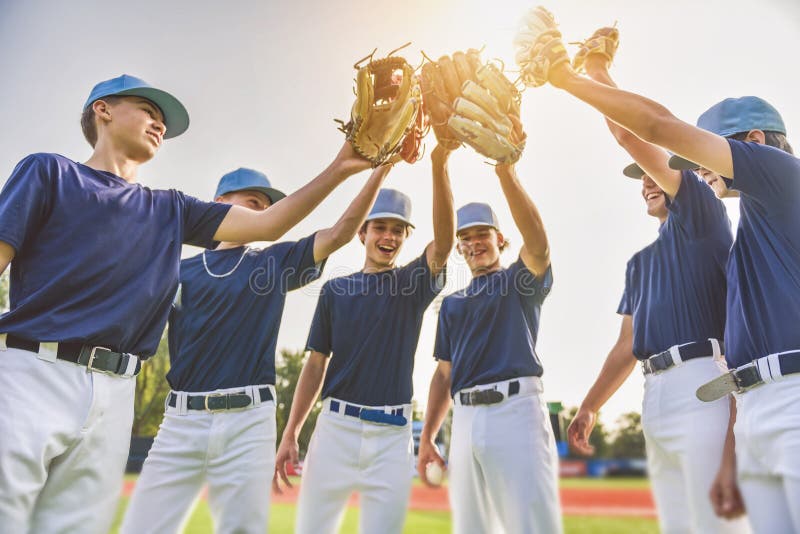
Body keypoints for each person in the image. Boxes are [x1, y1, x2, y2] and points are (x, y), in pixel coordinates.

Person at [0, 73, 374, 533]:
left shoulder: (170, 209)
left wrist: (343, 165)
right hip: (34, 369)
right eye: (149, 111)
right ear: (103, 109)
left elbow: (271, 224)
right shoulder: (50, 172)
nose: (160, 124)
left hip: (117, 393)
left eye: (164, 121)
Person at [536, 17, 800, 531]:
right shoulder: (757, 222)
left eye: (706, 155)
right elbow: (638, 136)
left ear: (753, 141)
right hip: (756, 406)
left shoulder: (783, 175)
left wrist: (569, 77)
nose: (700, 171)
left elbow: (651, 130)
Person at [120, 164, 390, 534]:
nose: (263, 211)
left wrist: (381, 170)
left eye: (266, 206)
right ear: (218, 204)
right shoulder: (178, 269)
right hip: (181, 421)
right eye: (252, 201)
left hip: (248, 422)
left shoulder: (271, 263)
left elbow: (342, 232)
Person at [565, 39, 748, 533]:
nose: (646, 180)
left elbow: (630, 136)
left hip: (702, 385)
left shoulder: (705, 215)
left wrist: (596, 71)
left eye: (653, 172)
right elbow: (626, 345)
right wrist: (589, 406)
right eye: (639, 177)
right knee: (677, 526)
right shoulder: (639, 262)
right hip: (655, 395)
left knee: (715, 524)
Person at [273, 143, 455, 534]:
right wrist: (291, 431)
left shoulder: (411, 284)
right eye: (380, 227)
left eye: (398, 230)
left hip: (392, 438)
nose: (388, 236)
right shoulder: (335, 290)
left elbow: (443, 244)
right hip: (335, 430)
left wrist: (439, 165)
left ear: (406, 237)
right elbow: (315, 364)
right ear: (362, 232)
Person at [417, 162, 561, 534]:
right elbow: (444, 374)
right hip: (463, 420)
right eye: (466, 237)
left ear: (501, 239)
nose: (474, 242)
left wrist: (505, 172)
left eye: (483, 234)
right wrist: (429, 436)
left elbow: (539, 244)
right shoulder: (451, 304)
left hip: (516, 411)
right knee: (472, 527)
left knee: (531, 524)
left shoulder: (519, 282)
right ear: (459, 246)